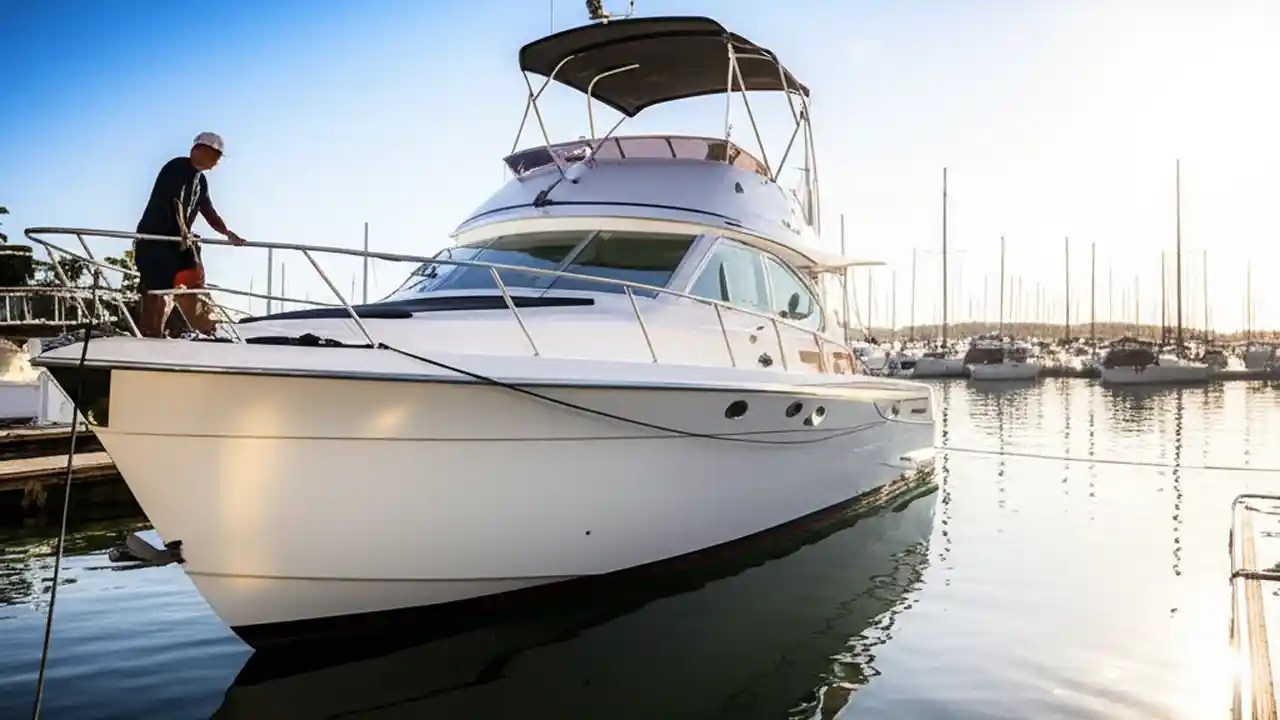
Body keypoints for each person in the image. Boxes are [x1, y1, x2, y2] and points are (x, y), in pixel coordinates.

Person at [134, 132, 245, 337]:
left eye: (218, 157)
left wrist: (227, 232)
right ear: (197, 150)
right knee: (157, 289)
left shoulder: (200, 181)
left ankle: (206, 329)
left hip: (179, 240)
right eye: (214, 155)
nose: (216, 162)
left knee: (191, 279)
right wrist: (184, 233)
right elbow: (174, 200)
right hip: (157, 238)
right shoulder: (176, 167)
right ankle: (151, 334)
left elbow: (207, 209)